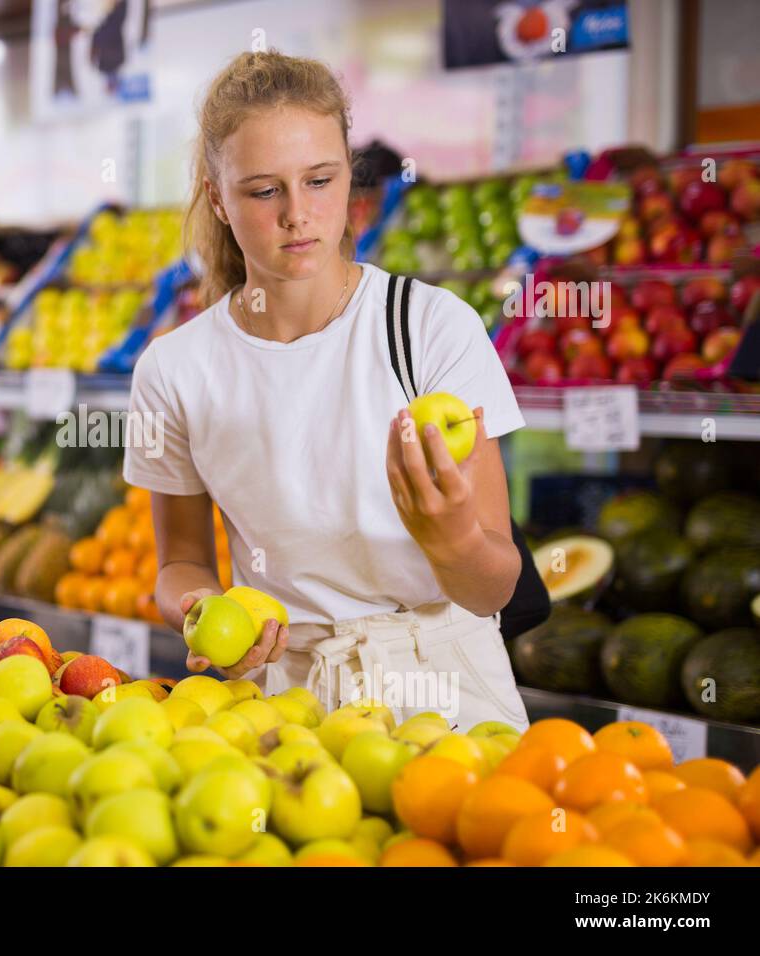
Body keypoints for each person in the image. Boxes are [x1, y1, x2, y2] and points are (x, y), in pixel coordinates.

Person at [123, 50, 530, 731]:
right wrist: (202, 611)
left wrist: (455, 539)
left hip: (444, 689)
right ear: (217, 196)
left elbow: (493, 586)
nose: (297, 214)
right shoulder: (172, 370)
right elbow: (182, 562)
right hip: (284, 702)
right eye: (263, 191)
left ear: (350, 178)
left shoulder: (430, 328)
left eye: (319, 180)